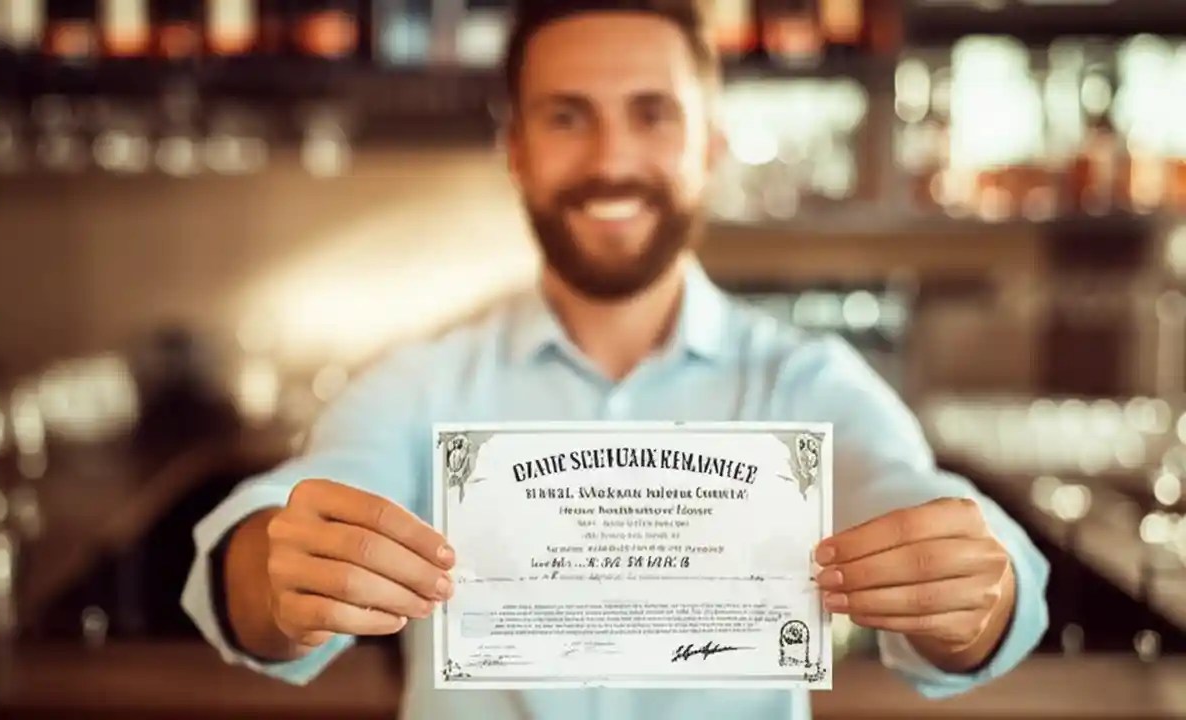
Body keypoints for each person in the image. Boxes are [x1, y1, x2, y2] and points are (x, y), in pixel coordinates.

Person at [180, 2, 1050, 718]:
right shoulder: (420, 384)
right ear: (514, 151)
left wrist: (977, 595)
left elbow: (913, 497)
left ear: (708, 149)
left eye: (652, 113)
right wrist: (275, 573)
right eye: (567, 117)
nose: (611, 161)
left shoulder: (807, 382)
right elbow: (277, 534)